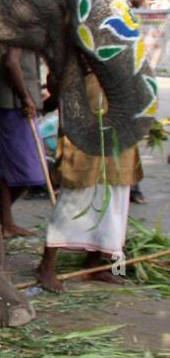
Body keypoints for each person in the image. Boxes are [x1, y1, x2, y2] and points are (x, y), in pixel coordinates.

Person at [37, 72, 142, 292]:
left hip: (119, 127)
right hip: (87, 123)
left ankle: (95, 264)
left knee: (113, 197)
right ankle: (46, 267)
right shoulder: (78, 52)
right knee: (75, 197)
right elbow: (55, 79)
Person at [0, 38, 46, 237]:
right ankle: (2, 218)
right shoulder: (18, 25)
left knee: (6, 166)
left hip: (5, 103)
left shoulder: (0, 27)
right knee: (33, 169)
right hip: (14, 104)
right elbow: (11, 61)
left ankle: (5, 221)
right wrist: (25, 97)